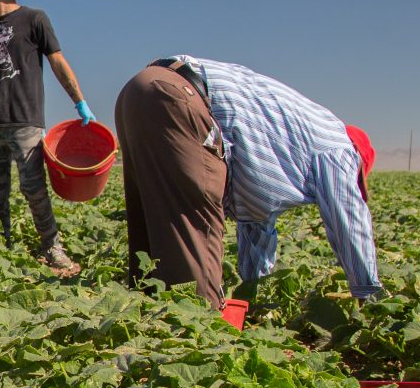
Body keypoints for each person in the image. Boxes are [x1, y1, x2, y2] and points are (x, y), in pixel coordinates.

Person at [113, 55, 381, 308]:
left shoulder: (290, 142)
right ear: (357, 164)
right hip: (178, 98)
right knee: (195, 233)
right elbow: (349, 221)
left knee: (151, 229)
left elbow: (257, 224)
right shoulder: (338, 147)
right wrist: (369, 296)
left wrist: (254, 294)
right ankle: (197, 328)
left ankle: (148, 316)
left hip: (137, 93)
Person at [0, 0, 94, 275]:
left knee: (33, 188)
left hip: (25, 119)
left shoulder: (34, 19)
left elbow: (57, 61)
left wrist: (79, 101)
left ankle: (52, 247)